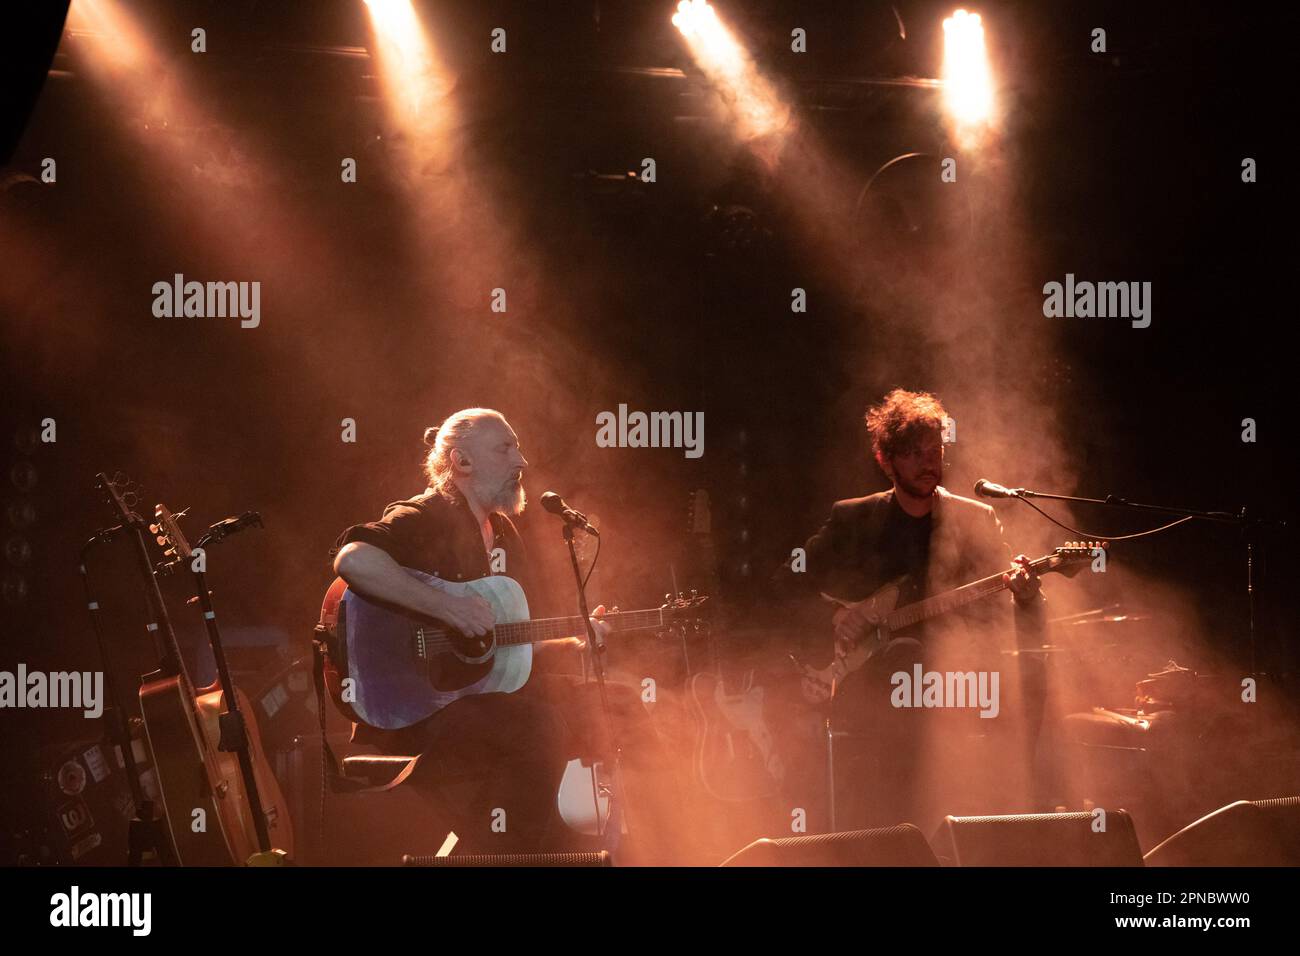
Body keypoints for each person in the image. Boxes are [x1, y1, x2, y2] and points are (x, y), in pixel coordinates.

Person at [331, 408, 649, 855]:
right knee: (540, 725)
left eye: (518, 447)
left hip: (479, 701)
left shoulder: (502, 534)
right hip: (413, 711)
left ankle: (616, 851)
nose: (521, 461)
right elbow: (352, 559)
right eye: (506, 448)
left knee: (621, 704)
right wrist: (446, 606)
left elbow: (510, 644)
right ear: (462, 461)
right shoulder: (425, 515)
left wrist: (575, 638)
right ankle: (505, 854)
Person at [781, 388, 1048, 828]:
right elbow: (784, 586)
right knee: (880, 823)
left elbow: (1005, 613)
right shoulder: (853, 518)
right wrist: (837, 615)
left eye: (935, 451)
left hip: (952, 699)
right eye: (913, 453)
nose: (929, 463)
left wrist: (1025, 593)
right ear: (885, 459)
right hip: (873, 703)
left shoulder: (975, 519)